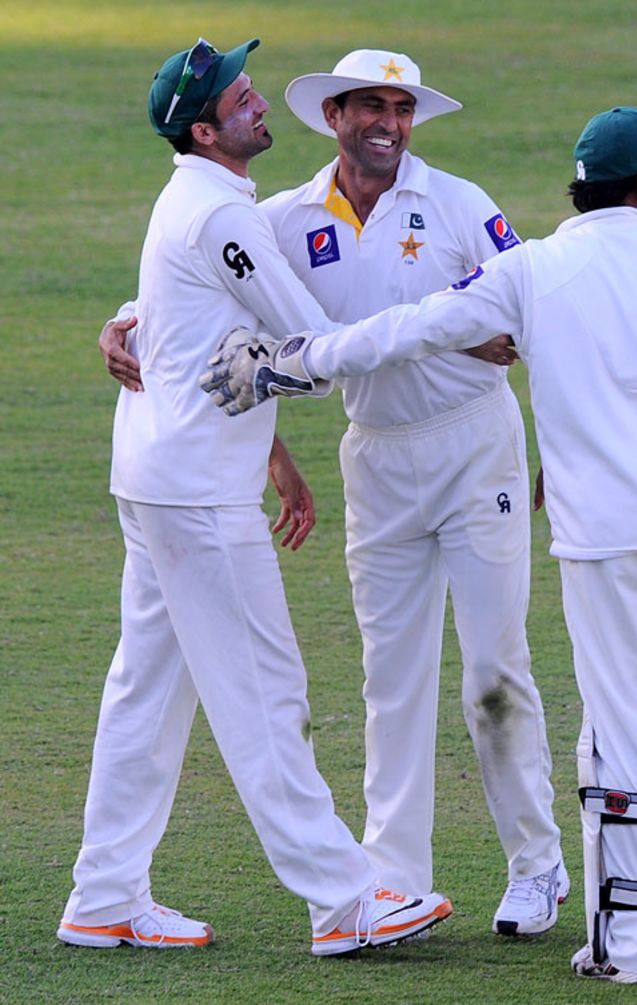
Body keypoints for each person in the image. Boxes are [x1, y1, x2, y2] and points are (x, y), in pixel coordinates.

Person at [200, 105, 637, 983]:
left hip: (599, 536)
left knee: (624, 729)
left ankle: (631, 942)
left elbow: (412, 327)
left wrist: (292, 361)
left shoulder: (533, 270)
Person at [101, 48, 567, 936]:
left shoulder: (459, 204)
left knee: (495, 671)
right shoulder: (282, 216)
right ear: (334, 118)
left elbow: (535, 314)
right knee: (389, 681)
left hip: (477, 450)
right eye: (369, 107)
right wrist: (120, 320)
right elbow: (195, 283)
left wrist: (565, 443)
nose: (387, 122)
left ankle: (535, 866)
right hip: (379, 458)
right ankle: (390, 876)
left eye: (402, 107)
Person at [59, 37, 450, 957]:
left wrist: (138, 326)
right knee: (266, 692)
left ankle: (104, 894)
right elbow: (310, 344)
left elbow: (199, 321)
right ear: (204, 129)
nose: (259, 102)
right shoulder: (219, 218)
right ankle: (346, 900)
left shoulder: (205, 199)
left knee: (146, 694)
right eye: (240, 100)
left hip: (159, 479)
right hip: (197, 493)